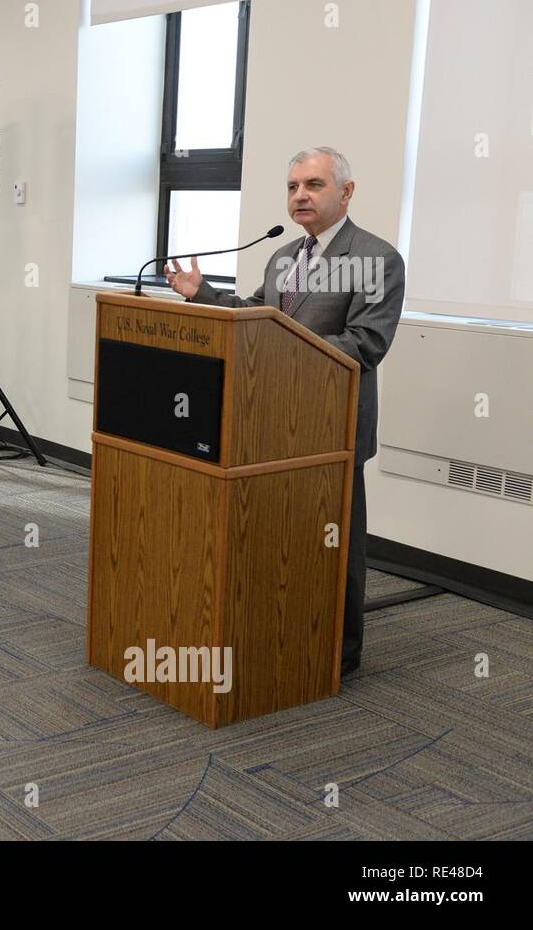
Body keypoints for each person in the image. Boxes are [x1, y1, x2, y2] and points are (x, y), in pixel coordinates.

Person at [164, 146, 405, 678]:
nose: (300, 195)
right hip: (274, 420)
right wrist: (202, 294)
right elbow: (257, 317)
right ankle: (282, 630)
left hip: (332, 422)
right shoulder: (282, 256)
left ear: (346, 192)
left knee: (336, 540)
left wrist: (291, 347)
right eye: (294, 186)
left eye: (314, 185)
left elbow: (366, 343)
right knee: (282, 537)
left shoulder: (377, 257)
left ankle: (340, 651)